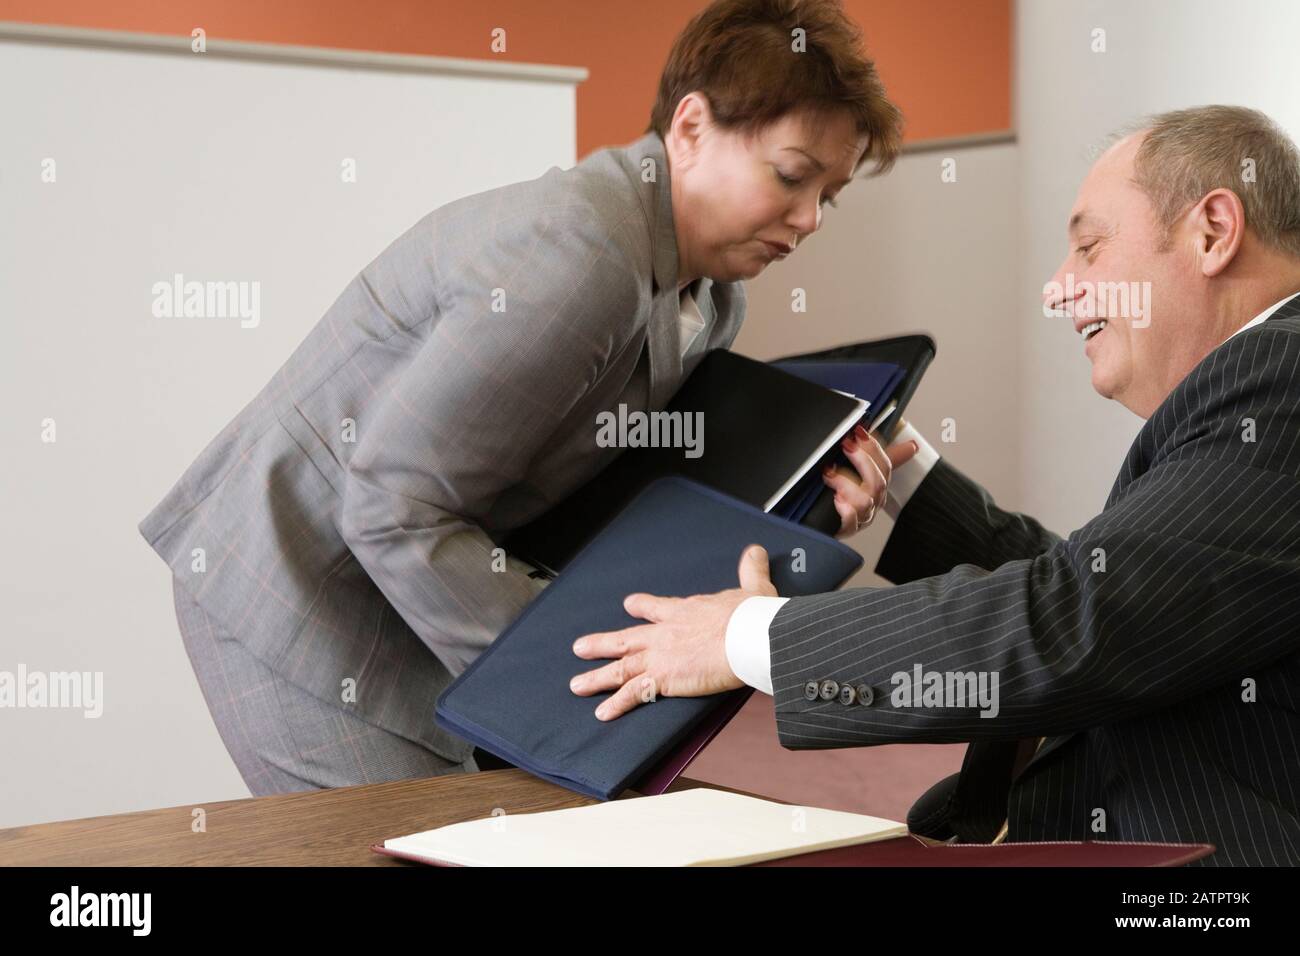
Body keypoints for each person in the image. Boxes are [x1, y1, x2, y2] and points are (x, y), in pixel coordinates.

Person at [138, 0, 905, 794]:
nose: (810, 219)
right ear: (690, 127)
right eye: (791, 176)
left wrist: (809, 510)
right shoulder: (575, 257)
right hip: (298, 586)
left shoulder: (714, 299)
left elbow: (624, 491)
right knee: (418, 842)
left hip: (425, 582)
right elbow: (390, 506)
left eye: (830, 194)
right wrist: (565, 668)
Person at [572, 104, 1300, 866]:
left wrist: (746, 636)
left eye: (1088, 247)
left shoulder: (1279, 374)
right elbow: (1120, 596)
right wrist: (900, 478)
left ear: (1214, 231)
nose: (1058, 289)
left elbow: (1073, 620)